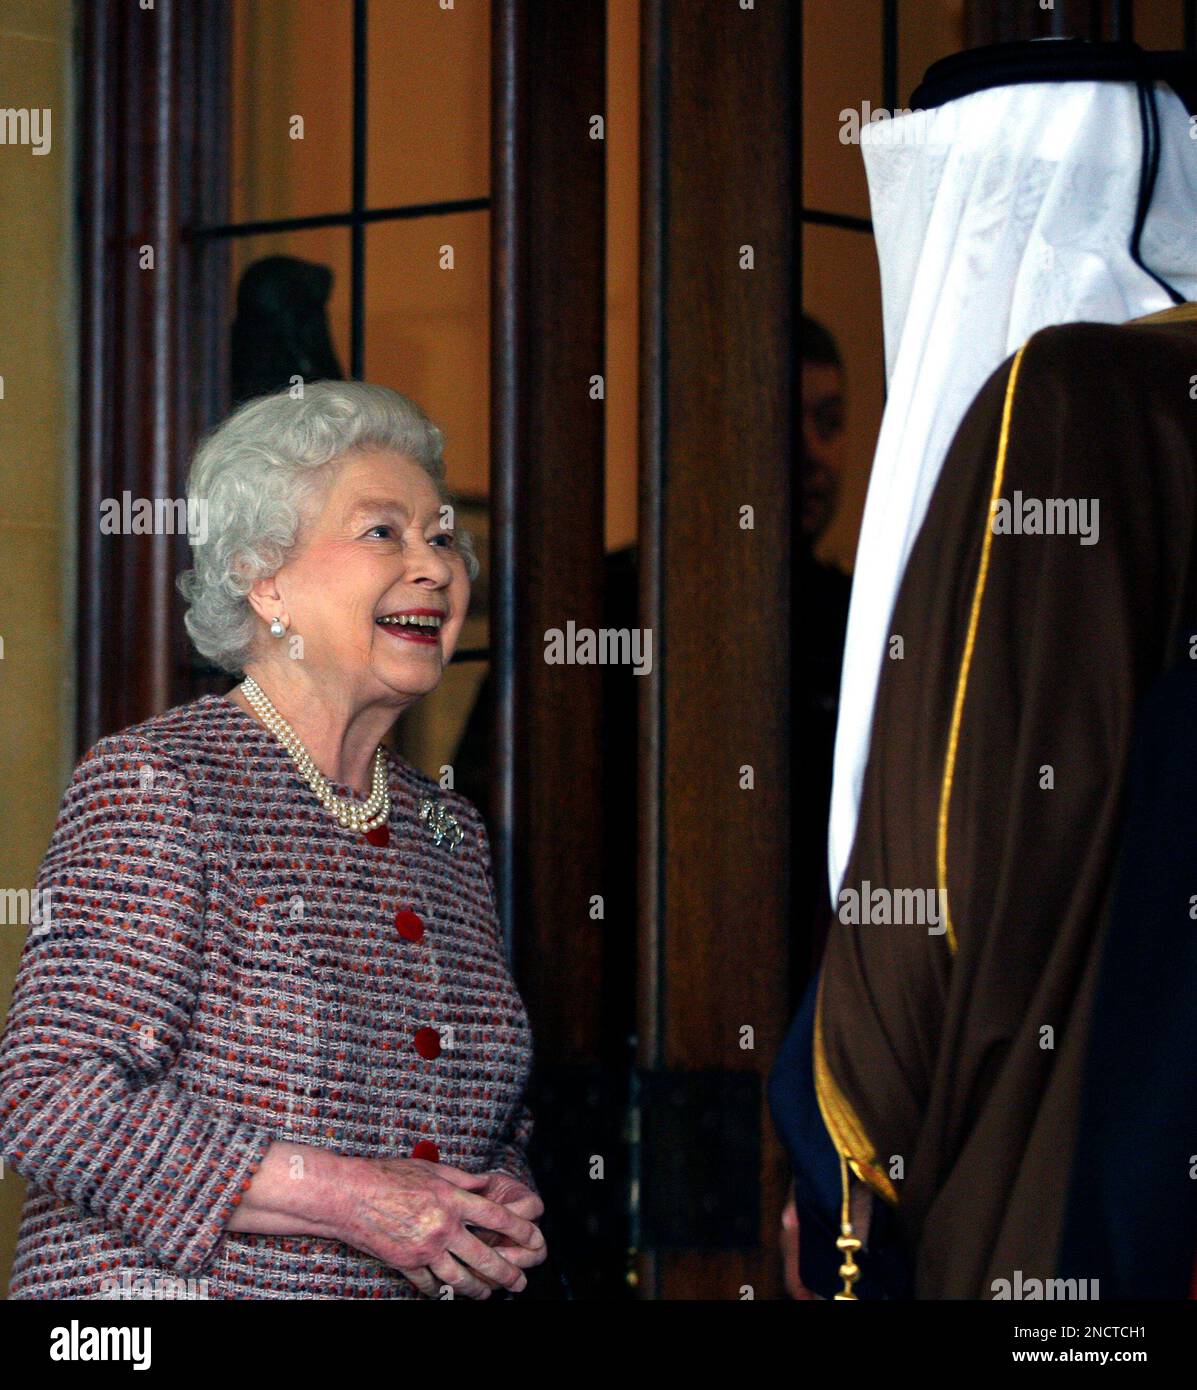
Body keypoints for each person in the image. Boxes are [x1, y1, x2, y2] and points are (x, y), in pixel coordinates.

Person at [0, 381, 548, 1299]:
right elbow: (51, 1099)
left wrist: (500, 1203)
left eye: (443, 536)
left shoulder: (447, 832)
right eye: (384, 533)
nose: (436, 567)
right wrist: (349, 1196)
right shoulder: (161, 783)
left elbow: (483, 1116)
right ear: (266, 580)